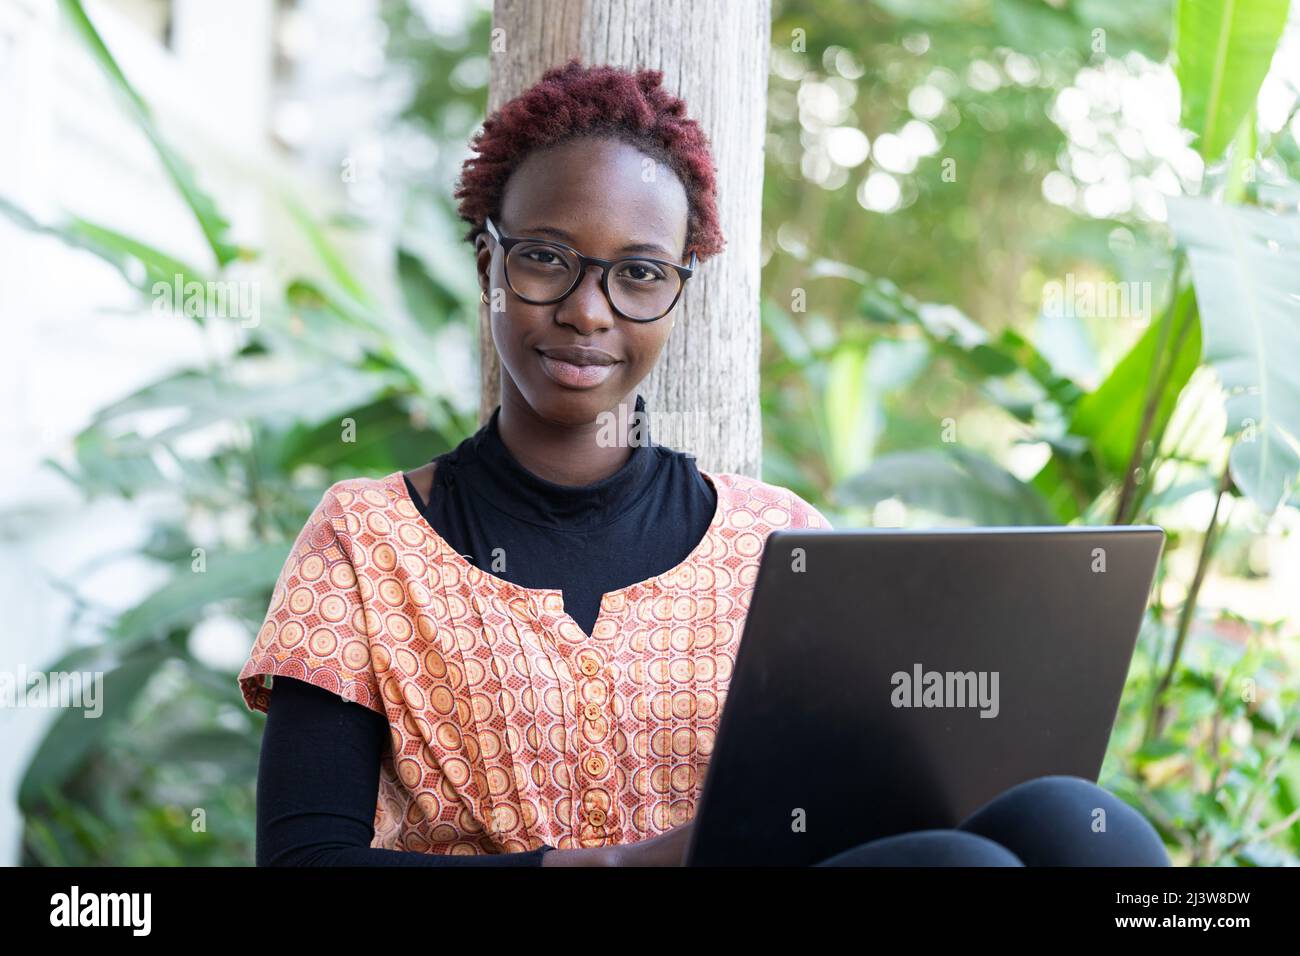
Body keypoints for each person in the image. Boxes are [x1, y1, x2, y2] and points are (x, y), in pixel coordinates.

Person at [239, 59, 1169, 867]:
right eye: (547, 259)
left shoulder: (780, 541)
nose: (589, 310)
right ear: (490, 265)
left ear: (679, 290)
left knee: (1075, 825)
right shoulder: (369, 543)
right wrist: (618, 864)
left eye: (640, 273)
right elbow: (304, 860)